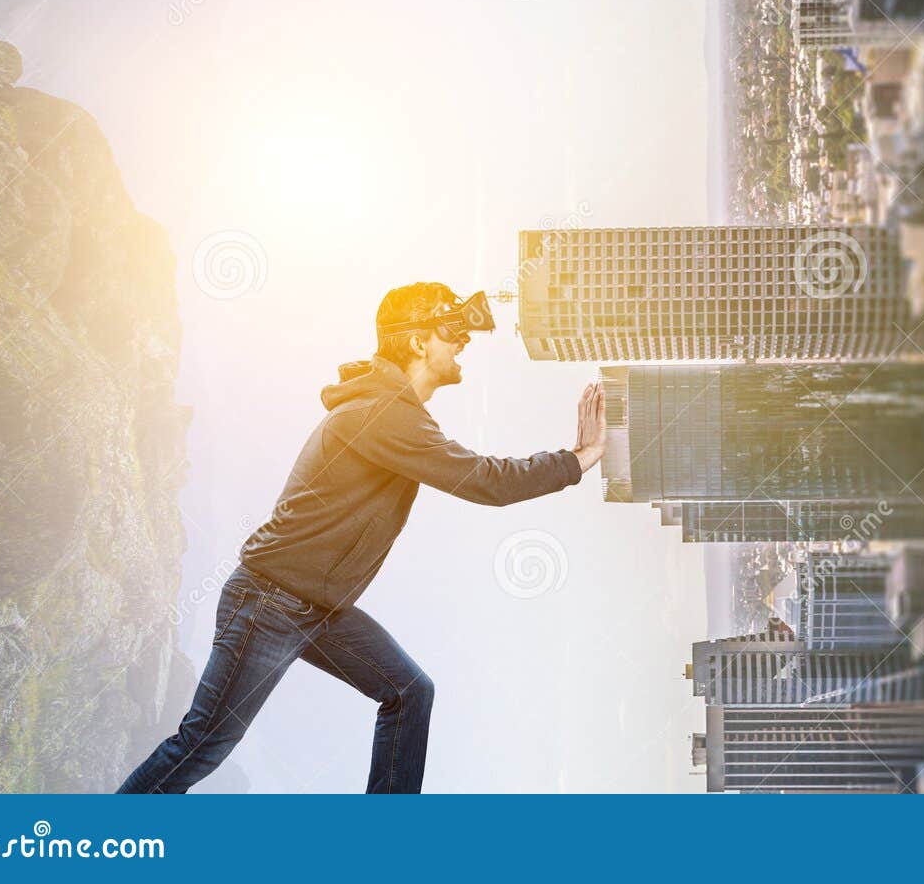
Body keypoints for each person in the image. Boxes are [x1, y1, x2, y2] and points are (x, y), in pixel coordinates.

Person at [118, 282, 605, 793]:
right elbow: (487, 482)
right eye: (450, 331)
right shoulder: (382, 413)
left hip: (315, 608)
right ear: (417, 342)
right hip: (270, 603)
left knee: (408, 691)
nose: (462, 341)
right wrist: (578, 458)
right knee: (200, 746)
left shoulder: (391, 409)